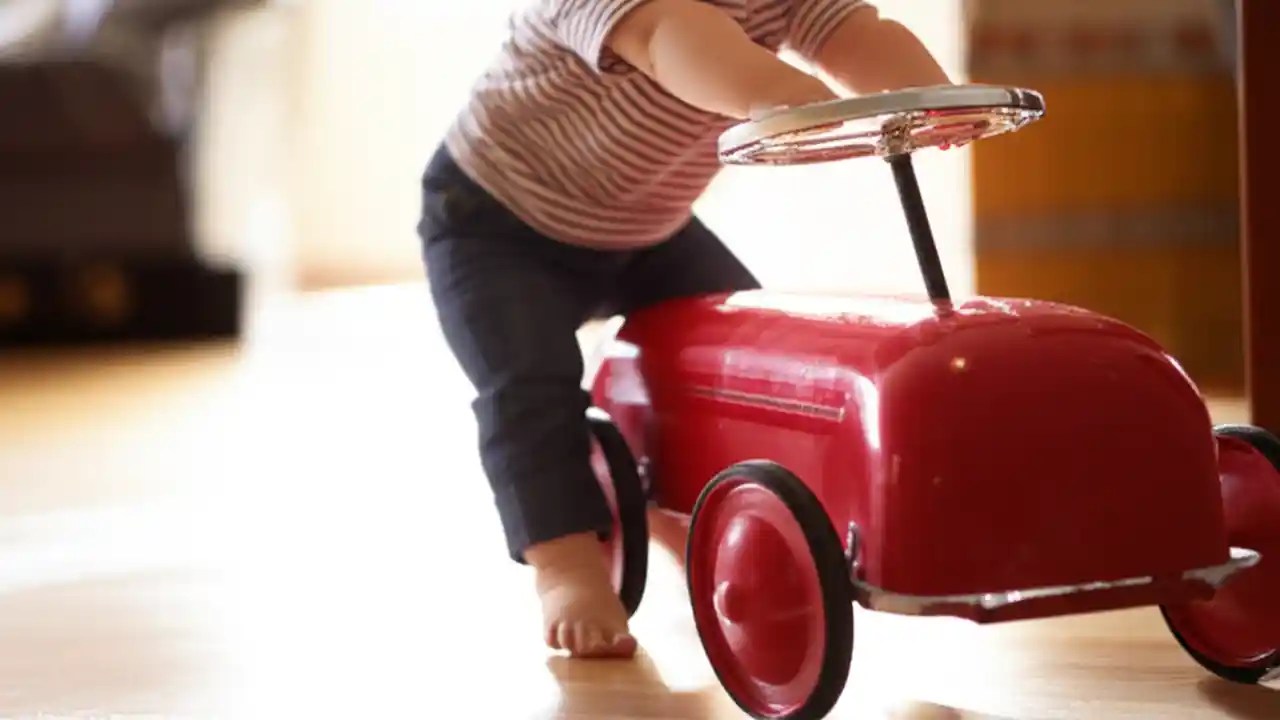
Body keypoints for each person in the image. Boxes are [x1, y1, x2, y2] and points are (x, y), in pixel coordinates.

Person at [418, 0, 951, 660]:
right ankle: (565, 565)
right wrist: (777, 92)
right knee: (529, 383)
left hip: (646, 233)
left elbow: (851, 33)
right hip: (498, 222)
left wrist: (929, 98)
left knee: (738, 347)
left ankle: (703, 510)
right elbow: (666, 35)